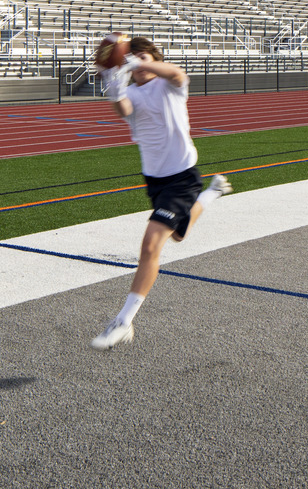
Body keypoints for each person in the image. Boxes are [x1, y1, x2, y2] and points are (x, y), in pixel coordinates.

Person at [90, 34, 232, 351]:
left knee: (151, 243)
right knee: (178, 235)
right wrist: (113, 86)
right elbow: (123, 109)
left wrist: (143, 61)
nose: (137, 65)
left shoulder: (168, 84)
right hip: (155, 181)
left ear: (154, 59)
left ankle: (123, 322)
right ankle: (212, 193)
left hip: (182, 176)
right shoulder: (132, 92)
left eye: (143, 58)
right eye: (133, 58)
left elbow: (179, 74)